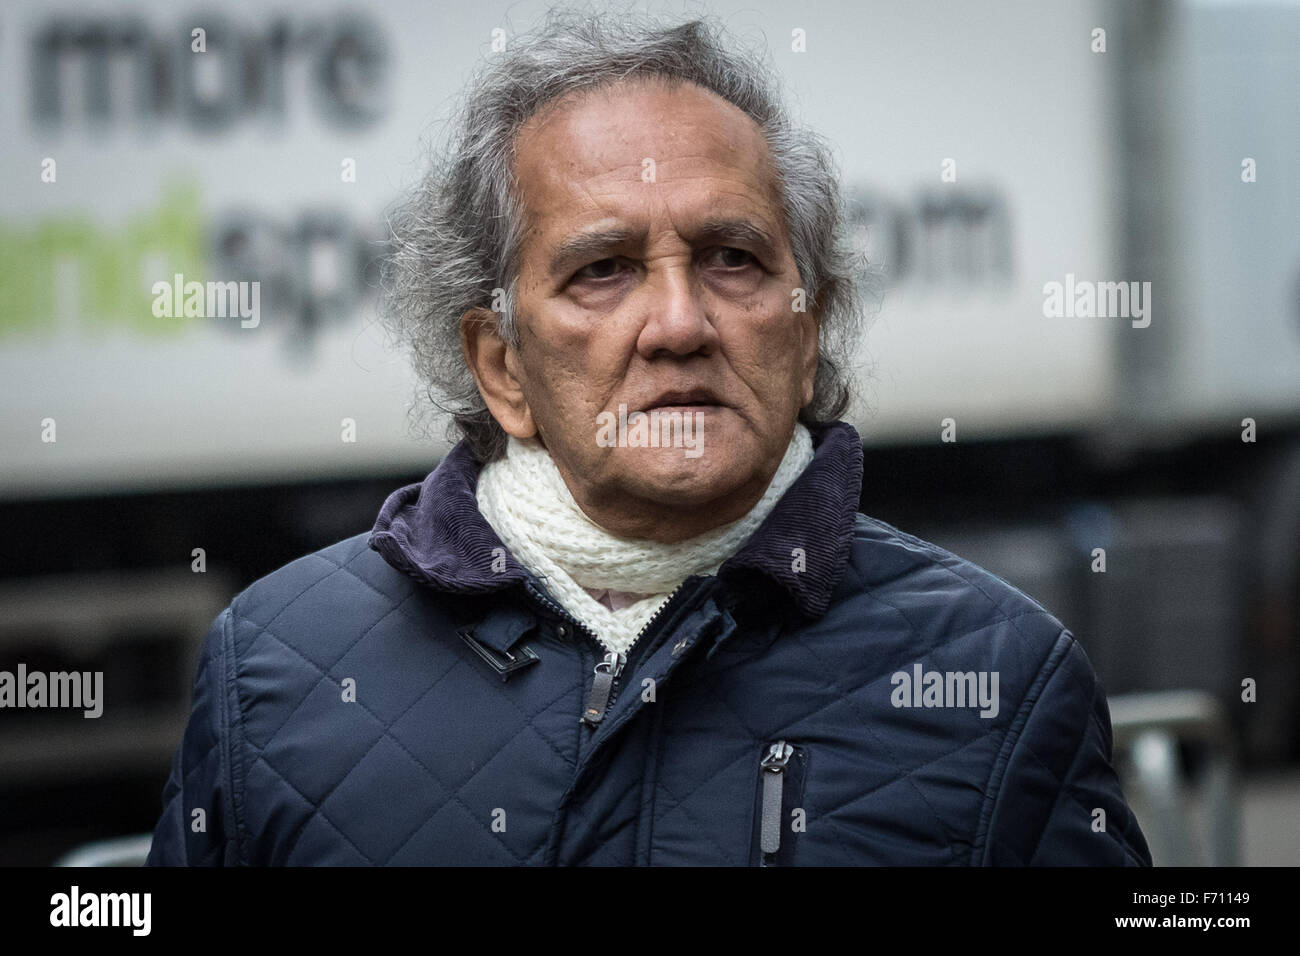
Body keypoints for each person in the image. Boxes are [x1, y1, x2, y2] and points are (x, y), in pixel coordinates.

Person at [146, 8, 1151, 866]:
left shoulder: (1003, 677)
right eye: (603, 269)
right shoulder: (275, 665)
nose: (678, 322)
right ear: (500, 364)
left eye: (731, 257)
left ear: (805, 332)